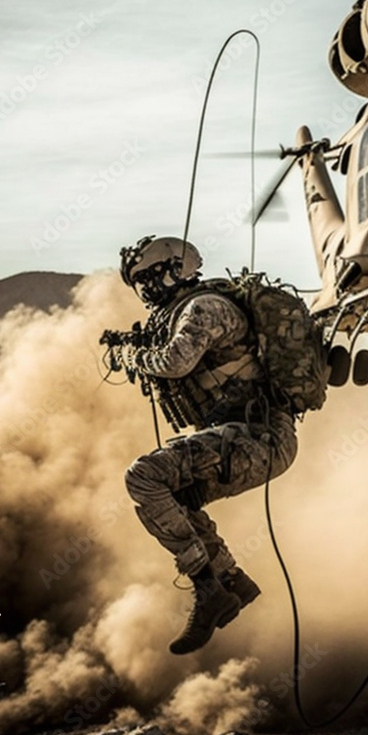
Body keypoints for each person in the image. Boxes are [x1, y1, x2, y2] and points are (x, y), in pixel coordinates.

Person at [103, 236, 304, 654]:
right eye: (137, 283)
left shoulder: (205, 307)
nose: (144, 291)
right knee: (174, 496)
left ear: (175, 270)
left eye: (148, 278)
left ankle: (207, 587)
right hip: (243, 438)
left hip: (259, 437)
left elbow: (176, 361)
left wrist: (129, 356)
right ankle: (231, 581)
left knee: (144, 477)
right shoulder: (178, 315)